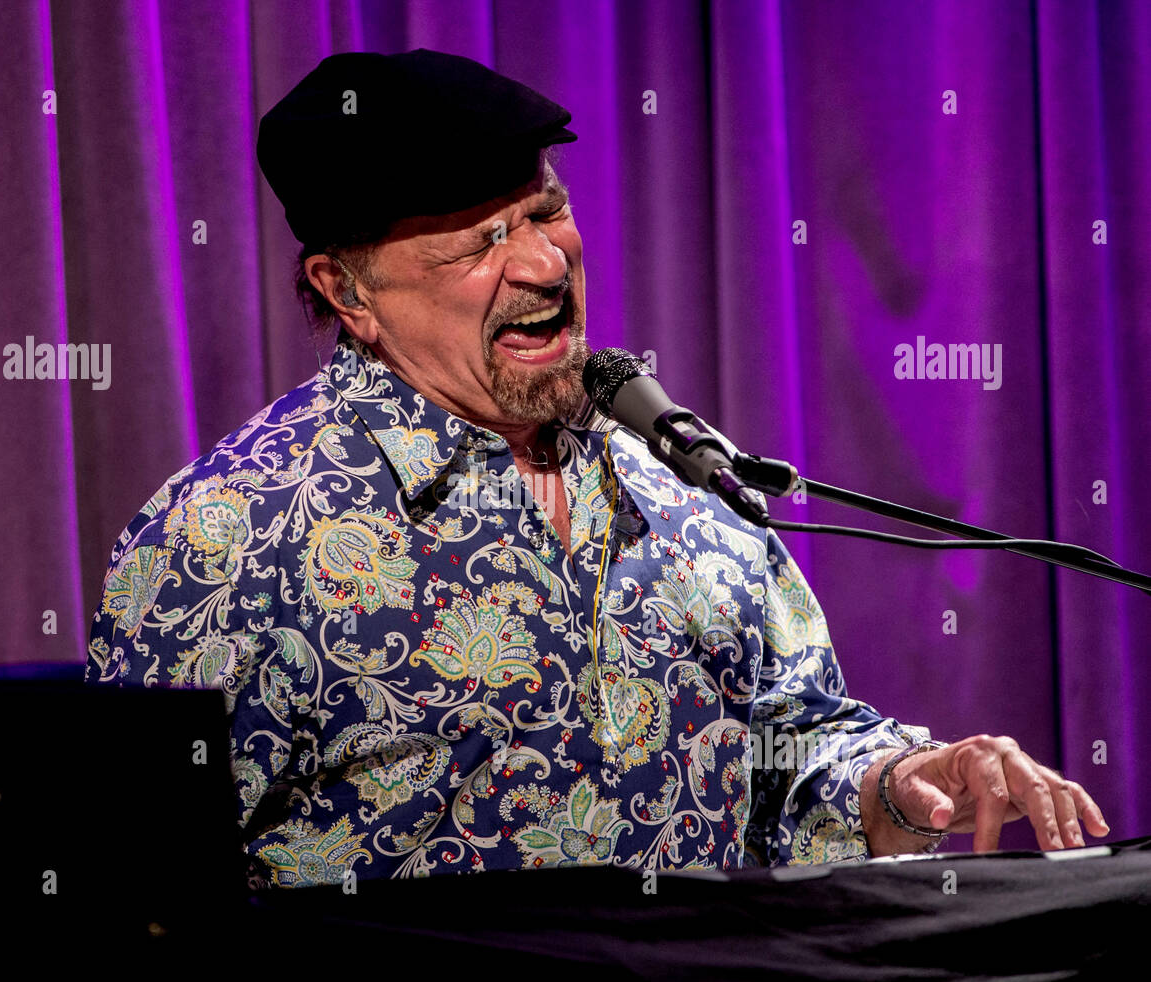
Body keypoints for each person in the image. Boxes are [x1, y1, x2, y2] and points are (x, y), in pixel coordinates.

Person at [84, 48, 1107, 888]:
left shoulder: (684, 489)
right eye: (477, 243)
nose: (540, 263)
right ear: (347, 290)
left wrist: (908, 780)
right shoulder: (229, 534)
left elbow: (786, 763)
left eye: (542, 211)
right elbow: (139, 894)